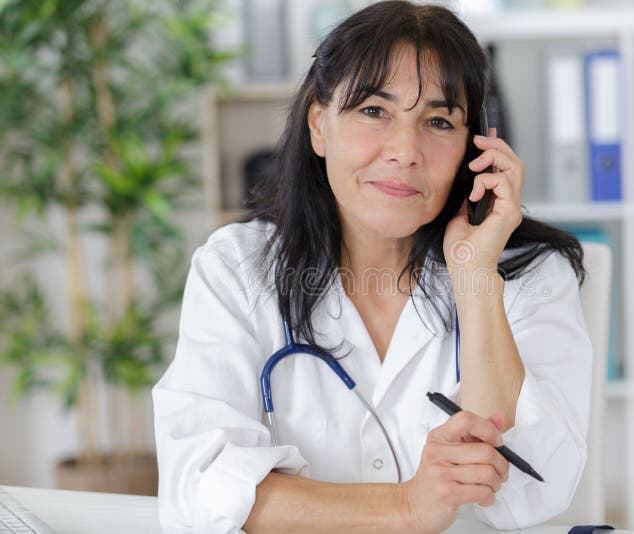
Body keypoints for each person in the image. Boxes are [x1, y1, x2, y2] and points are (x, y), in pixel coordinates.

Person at [152, 1, 593, 533]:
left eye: (437, 120)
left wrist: (476, 277)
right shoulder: (236, 269)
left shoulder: (531, 277)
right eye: (374, 111)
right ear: (319, 124)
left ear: (473, 148)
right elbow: (199, 487)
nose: (405, 151)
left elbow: (533, 491)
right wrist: (406, 508)